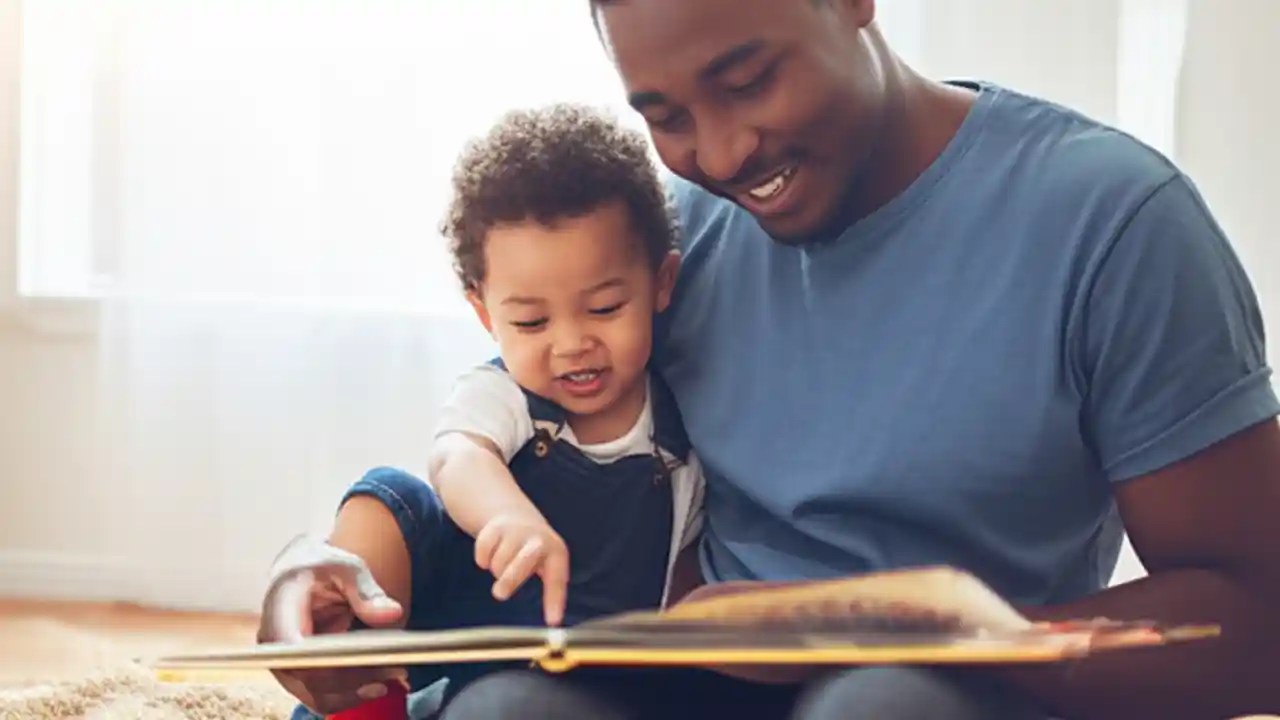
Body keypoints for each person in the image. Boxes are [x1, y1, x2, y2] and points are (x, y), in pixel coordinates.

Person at [268, 1, 1280, 719]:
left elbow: (1257, 627)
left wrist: (898, 626)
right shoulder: (677, 240)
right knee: (507, 709)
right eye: (663, 115)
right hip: (692, 681)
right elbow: (490, 436)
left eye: (747, 80)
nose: (716, 155)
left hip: (951, 689)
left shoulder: (1112, 225)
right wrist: (330, 573)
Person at [259, 103, 707, 719]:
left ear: (661, 283)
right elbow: (458, 456)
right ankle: (363, 695)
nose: (572, 343)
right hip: (456, 637)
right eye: (532, 321)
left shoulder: (679, 435)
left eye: (605, 308)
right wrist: (508, 516)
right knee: (385, 499)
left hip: (578, 683)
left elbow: (682, 571)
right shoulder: (501, 395)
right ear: (484, 313)